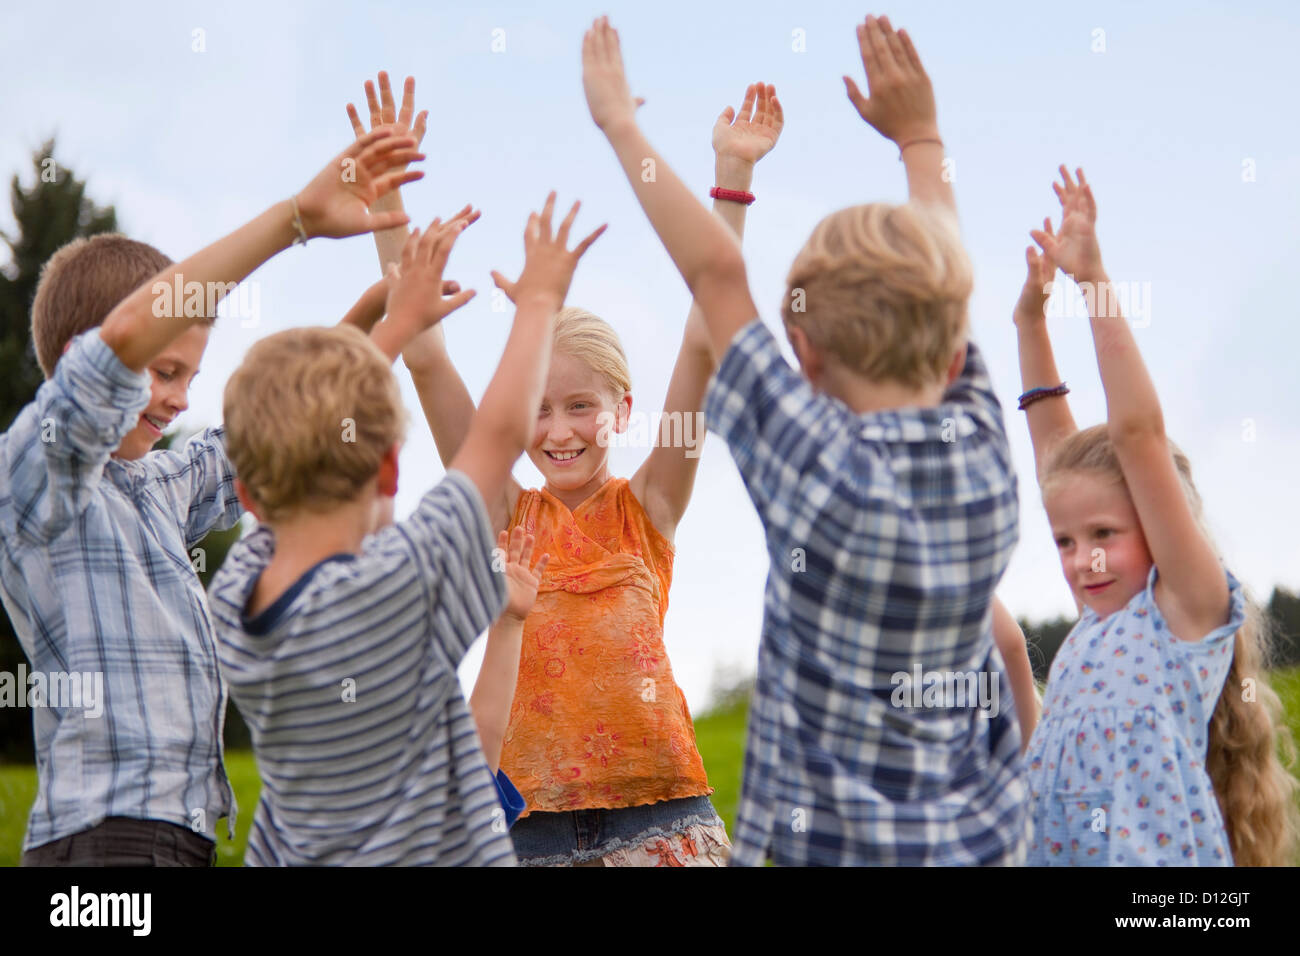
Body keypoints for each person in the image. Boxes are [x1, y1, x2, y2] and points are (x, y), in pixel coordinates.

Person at [580, 14, 1028, 865]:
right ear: (948, 346)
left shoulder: (816, 467)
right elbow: (950, 292)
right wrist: (920, 139)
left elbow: (714, 275)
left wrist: (621, 125)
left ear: (806, 355)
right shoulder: (984, 451)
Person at [343, 71, 783, 866]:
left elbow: (702, 341)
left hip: (662, 821)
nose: (557, 430)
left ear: (620, 409)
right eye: (539, 409)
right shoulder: (506, 508)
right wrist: (387, 204)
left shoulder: (650, 504)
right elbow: (426, 358)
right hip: (527, 832)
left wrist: (734, 182)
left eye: (580, 406)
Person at [1, 128, 421, 866]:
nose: (178, 400)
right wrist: (296, 219)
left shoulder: (157, 486)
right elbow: (127, 333)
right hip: (103, 839)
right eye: (165, 372)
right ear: (90, 359)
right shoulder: (38, 475)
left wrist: (367, 331)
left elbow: (267, 433)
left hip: (180, 838)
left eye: (191, 377)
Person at [209, 195, 602, 865]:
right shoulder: (401, 584)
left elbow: (488, 441)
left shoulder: (234, 600)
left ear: (247, 492)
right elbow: (498, 436)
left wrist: (400, 326)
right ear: (391, 469)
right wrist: (537, 304)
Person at [1015, 165, 1299, 865]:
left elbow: (1136, 434)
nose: (1084, 558)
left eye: (1105, 534)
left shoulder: (1183, 612)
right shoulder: (1094, 633)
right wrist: (1028, 324)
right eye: (1066, 542)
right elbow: (1061, 463)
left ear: (1160, 517)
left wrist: (1092, 282)